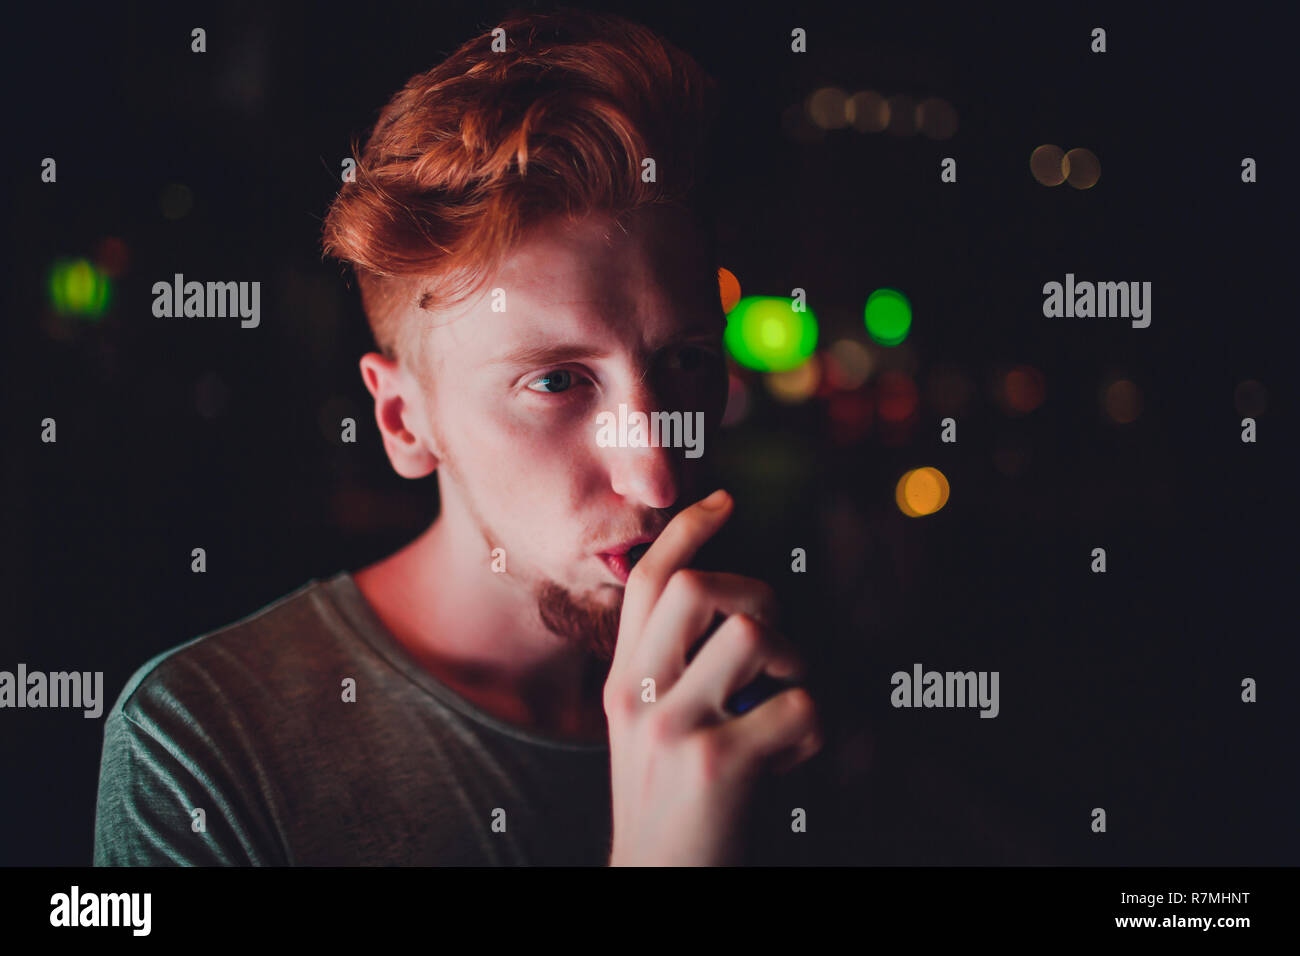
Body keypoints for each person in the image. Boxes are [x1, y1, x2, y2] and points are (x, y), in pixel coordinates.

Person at [93, 6, 823, 866]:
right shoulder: (204, 745)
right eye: (556, 381)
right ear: (405, 421)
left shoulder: (758, 678)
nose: (656, 475)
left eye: (687, 360)